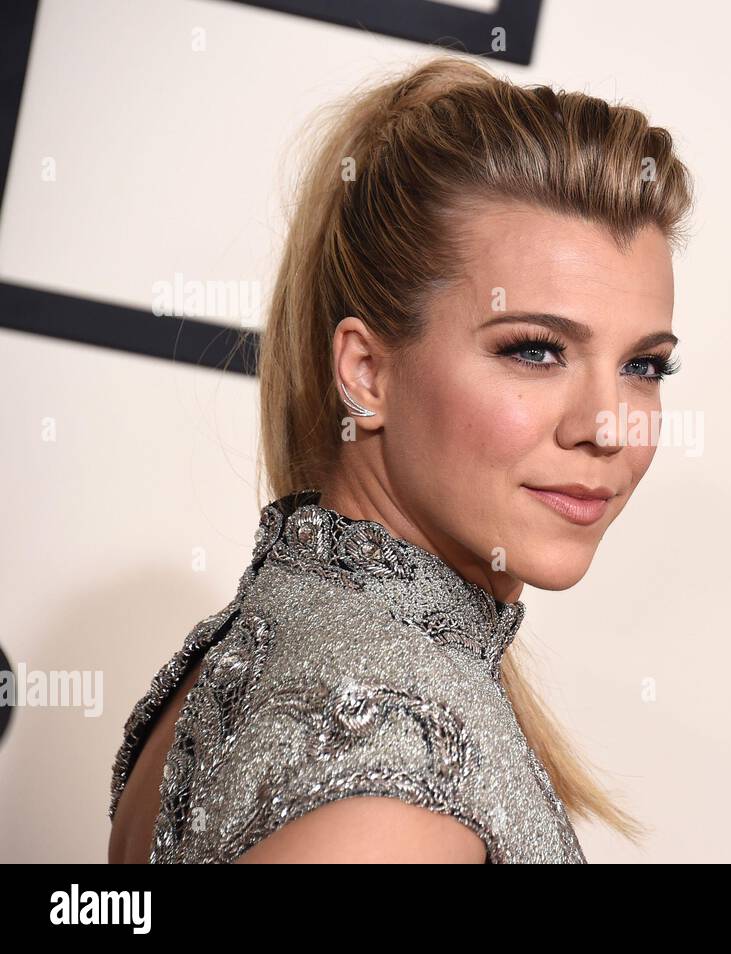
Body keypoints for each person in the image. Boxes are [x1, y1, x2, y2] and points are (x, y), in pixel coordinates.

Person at [105, 53, 694, 863]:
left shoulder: (281, 643)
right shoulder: (389, 766)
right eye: (535, 351)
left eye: (644, 367)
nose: (608, 427)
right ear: (367, 373)